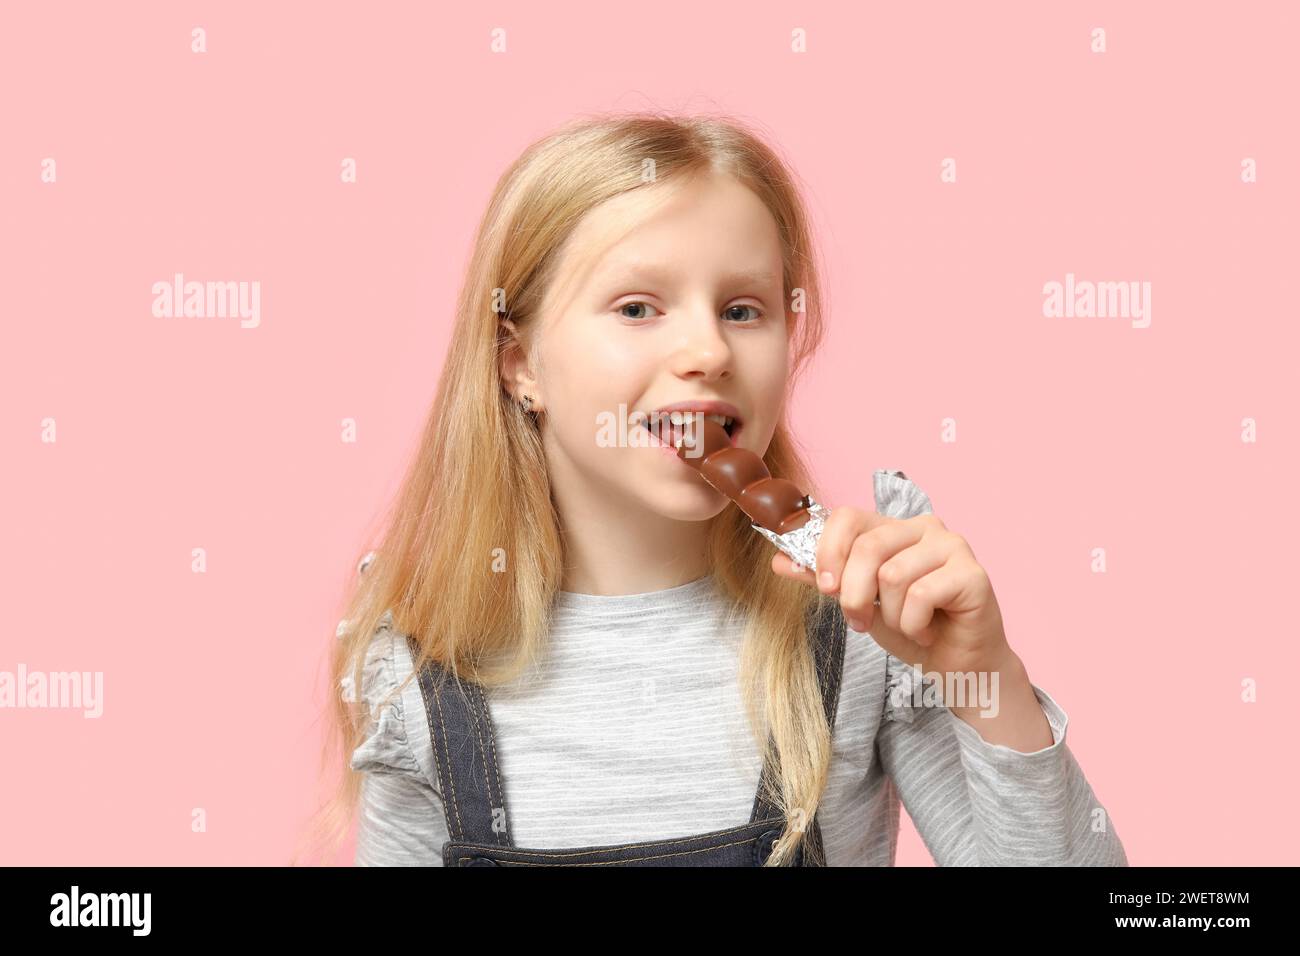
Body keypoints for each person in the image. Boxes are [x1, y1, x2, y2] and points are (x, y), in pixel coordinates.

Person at [316, 112, 1128, 867]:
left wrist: (983, 680)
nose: (707, 349)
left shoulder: (865, 643)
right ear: (521, 365)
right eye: (638, 308)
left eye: (744, 309)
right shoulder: (421, 675)